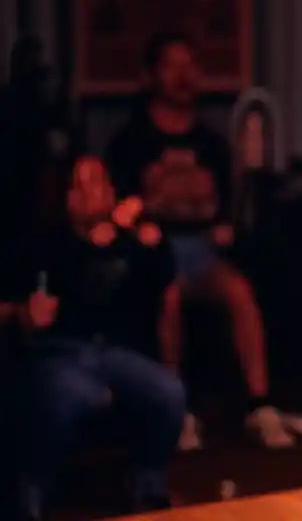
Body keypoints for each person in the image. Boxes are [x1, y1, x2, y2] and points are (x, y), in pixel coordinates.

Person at [105, 33, 294, 450]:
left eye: (190, 65)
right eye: (172, 66)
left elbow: (226, 208)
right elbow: (116, 210)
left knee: (240, 292)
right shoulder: (131, 142)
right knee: (166, 295)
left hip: (201, 252)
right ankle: (175, 408)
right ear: (150, 76)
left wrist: (225, 227)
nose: (183, 76)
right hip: (154, 254)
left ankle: (259, 405)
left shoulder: (211, 143)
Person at [13, 155, 186, 517]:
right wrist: (22, 313)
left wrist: (148, 243)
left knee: (168, 393)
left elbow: (163, 279)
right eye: (83, 184)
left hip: (116, 353)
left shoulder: (130, 241)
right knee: (77, 395)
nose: (95, 192)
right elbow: (60, 287)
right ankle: (29, 493)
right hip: (59, 353)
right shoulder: (48, 242)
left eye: (101, 182)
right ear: (68, 197)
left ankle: (149, 487)